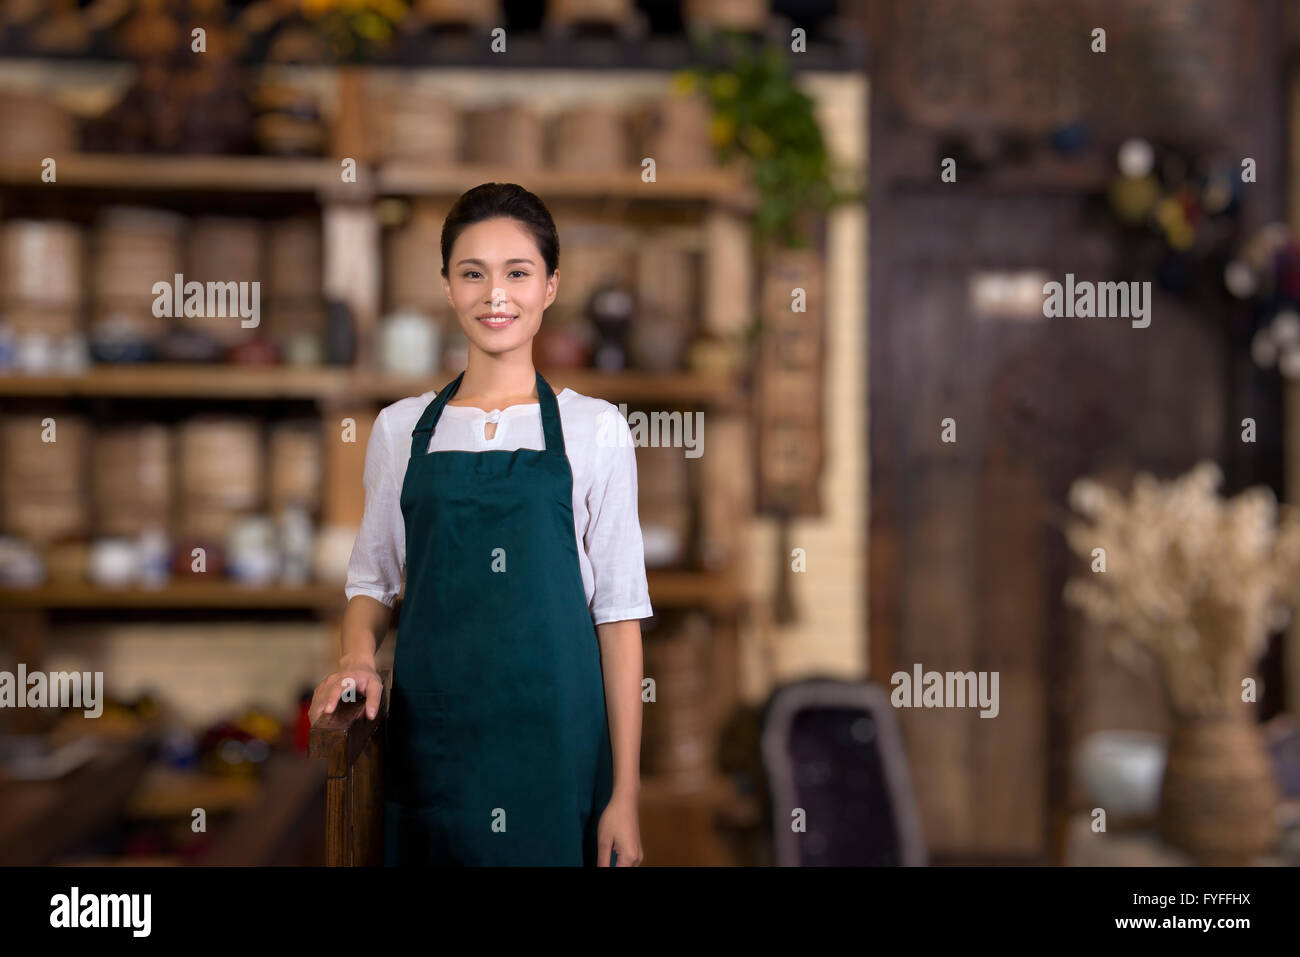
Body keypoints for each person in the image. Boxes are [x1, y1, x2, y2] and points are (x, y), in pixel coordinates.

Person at [308, 183, 652, 866]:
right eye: (473, 273)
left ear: (550, 286)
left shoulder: (595, 429)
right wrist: (356, 657)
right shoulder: (401, 429)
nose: (496, 294)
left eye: (517, 273)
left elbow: (618, 616)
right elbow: (373, 582)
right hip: (437, 748)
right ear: (446, 286)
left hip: (558, 755)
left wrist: (625, 796)